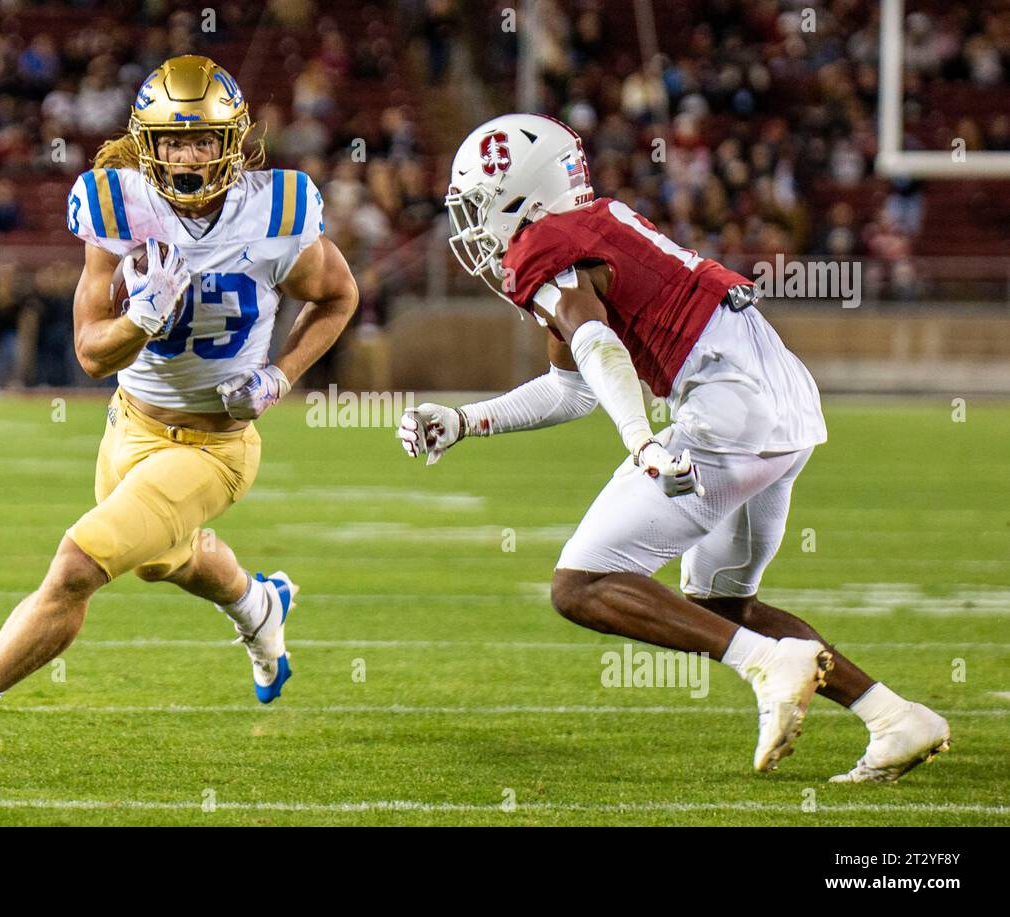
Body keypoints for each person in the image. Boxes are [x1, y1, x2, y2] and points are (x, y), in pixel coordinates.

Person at [397, 114, 949, 783]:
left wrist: (642, 443)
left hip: (729, 412)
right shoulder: (594, 228)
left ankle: (768, 664)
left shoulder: (547, 244)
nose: (475, 227)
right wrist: (466, 421)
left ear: (526, 195)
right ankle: (893, 716)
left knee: (582, 584)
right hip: (781, 401)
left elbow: (597, 348)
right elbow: (571, 387)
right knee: (722, 606)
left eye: (481, 206)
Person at [0, 55, 359, 747]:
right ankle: (258, 603)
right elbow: (93, 353)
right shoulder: (118, 204)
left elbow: (339, 296)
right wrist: (142, 320)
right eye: (173, 140)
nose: (187, 155)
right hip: (130, 425)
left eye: (203, 140)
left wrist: (282, 375)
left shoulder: (276, 212)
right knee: (165, 558)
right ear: (147, 143)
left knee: (77, 565)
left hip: (216, 445)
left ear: (233, 142)